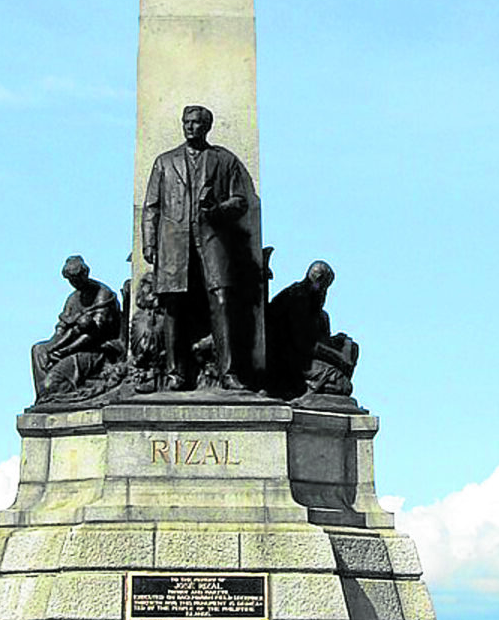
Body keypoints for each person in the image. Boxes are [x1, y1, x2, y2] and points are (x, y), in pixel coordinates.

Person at [142, 105, 253, 391]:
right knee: (173, 307)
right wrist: (149, 242)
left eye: (196, 123)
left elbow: (240, 201)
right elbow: (151, 206)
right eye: (187, 122)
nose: (190, 127)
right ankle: (174, 374)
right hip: (173, 244)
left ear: (207, 127)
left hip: (212, 240)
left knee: (222, 301)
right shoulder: (165, 162)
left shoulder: (224, 160)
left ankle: (229, 372)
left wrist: (217, 210)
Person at [30, 255, 122, 401]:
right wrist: (52, 346)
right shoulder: (73, 298)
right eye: (71, 280)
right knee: (38, 349)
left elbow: (95, 333)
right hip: (70, 345)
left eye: (77, 278)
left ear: (85, 273)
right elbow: (61, 327)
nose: (75, 283)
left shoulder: (103, 294)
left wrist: (65, 350)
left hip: (95, 350)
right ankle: (44, 396)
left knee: (50, 384)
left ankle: (52, 392)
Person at [266, 260, 359, 401]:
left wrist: (336, 343)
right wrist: (339, 357)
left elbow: (316, 337)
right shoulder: (298, 299)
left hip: (303, 356)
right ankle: (303, 392)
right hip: (289, 361)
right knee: (342, 385)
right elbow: (304, 344)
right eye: (325, 288)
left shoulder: (314, 305)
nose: (325, 293)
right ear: (318, 282)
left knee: (351, 347)